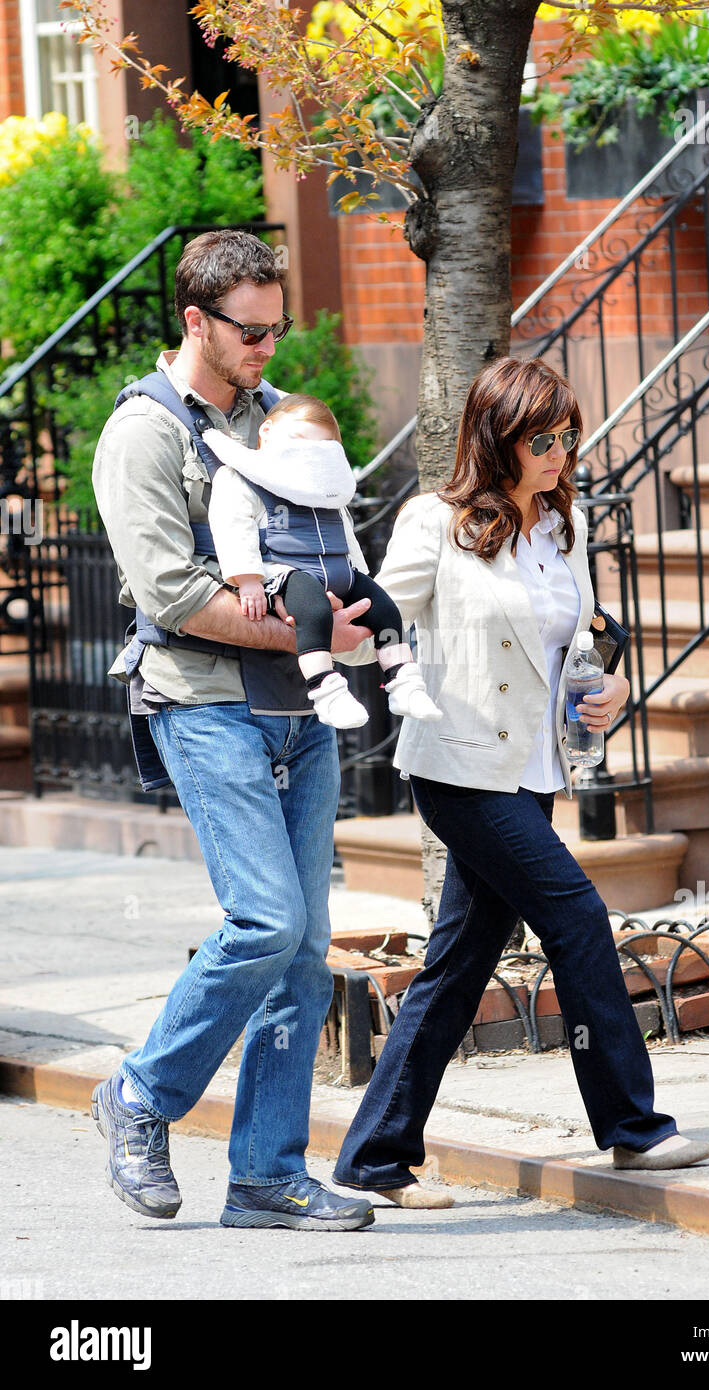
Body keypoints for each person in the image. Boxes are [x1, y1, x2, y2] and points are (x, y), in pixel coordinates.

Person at [333, 356, 709, 1208]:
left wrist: (611, 687)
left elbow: (575, 647)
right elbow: (374, 628)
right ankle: (632, 1130)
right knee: (578, 916)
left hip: (534, 769)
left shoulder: (560, 528)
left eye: (569, 436)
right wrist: (333, 621)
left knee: (458, 963)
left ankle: (375, 1156)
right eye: (543, 437)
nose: (560, 452)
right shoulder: (436, 523)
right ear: (497, 435)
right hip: (461, 767)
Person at [90, 228, 376, 1232]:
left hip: (297, 708)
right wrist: (305, 626)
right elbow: (171, 594)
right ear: (195, 320)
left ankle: (264, 1174)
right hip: (204, 704)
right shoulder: (145, 434)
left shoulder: (272, 422)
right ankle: (140, 1092)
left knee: (301, 954)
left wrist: (344, 618)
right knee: (266, 922)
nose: (265, 350)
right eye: (248, 334)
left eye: (275, 330)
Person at [203, 391, 442, 729]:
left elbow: (344, 533)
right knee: (313, 612)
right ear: (268, 432)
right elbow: (232, 526)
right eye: (300, 440)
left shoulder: (322, 490)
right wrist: (248, 580)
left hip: (338, 570)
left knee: (387, 610)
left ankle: (402, 678)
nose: (308, 454)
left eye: (320, 448)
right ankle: (326, 690)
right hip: (286, 571)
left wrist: (359, 575)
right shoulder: (242, 477)